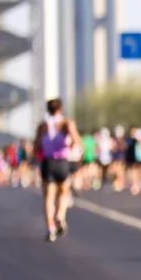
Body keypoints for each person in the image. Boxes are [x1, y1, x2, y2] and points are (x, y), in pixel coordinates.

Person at [34, 98, 81, 242]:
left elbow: (37, 146)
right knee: (63, 192)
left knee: (48, 197)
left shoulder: (43, 126)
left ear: (48, 110)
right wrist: (71, 148)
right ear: (60, 109)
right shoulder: (67, 123)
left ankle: (51, 227)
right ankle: (60, 216)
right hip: (62, 162)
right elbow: (77, 141)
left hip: (48, 162)